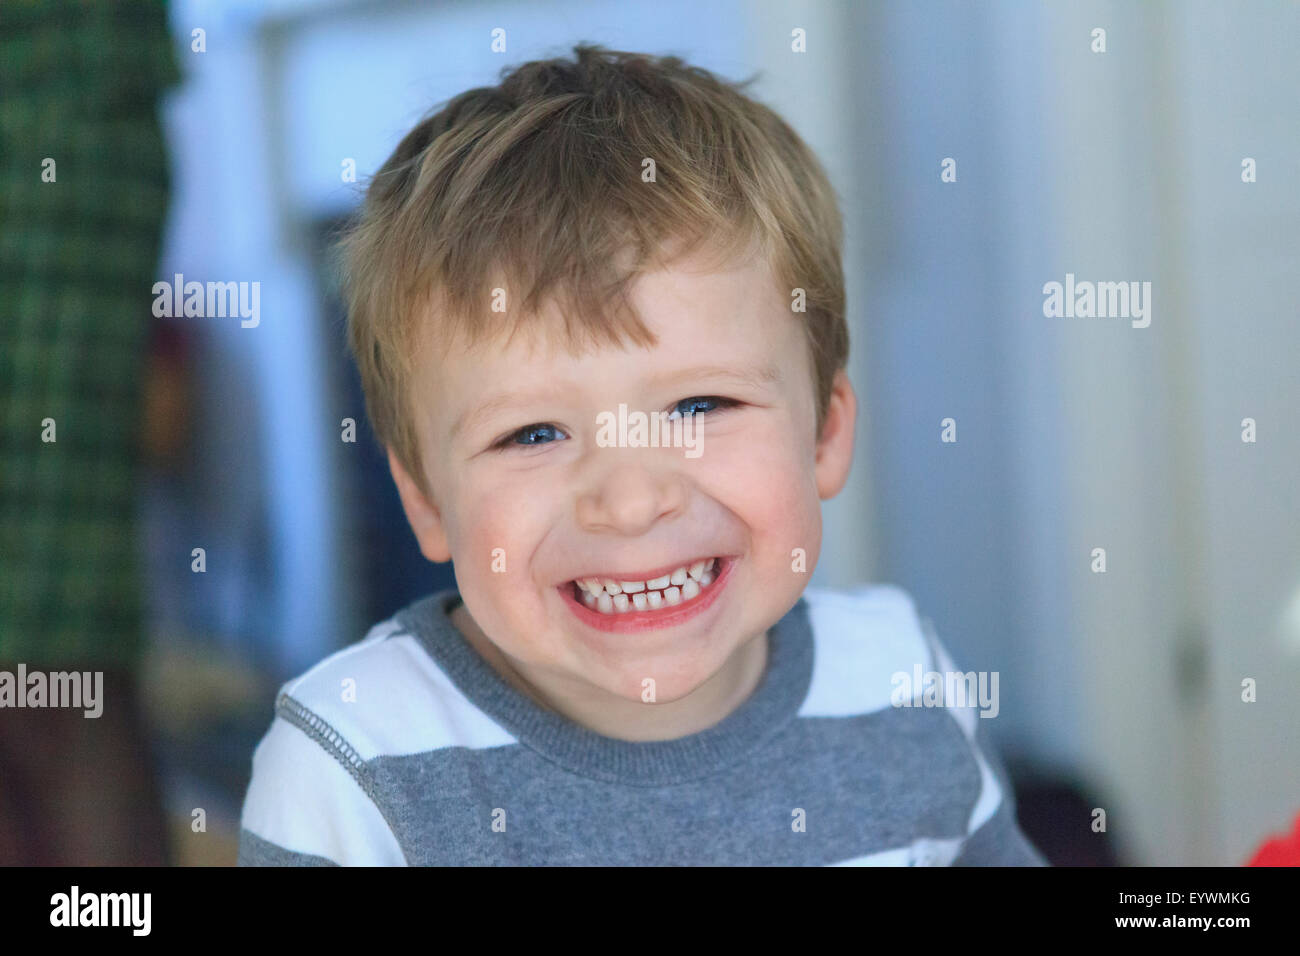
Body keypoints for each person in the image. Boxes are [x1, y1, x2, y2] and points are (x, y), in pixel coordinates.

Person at [236, 44, 1045, 866]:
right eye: (533, 434)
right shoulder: (355, 767)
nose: (628, 500)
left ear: (825, 434)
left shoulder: (899, 680)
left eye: (700, 406)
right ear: (427, 501)